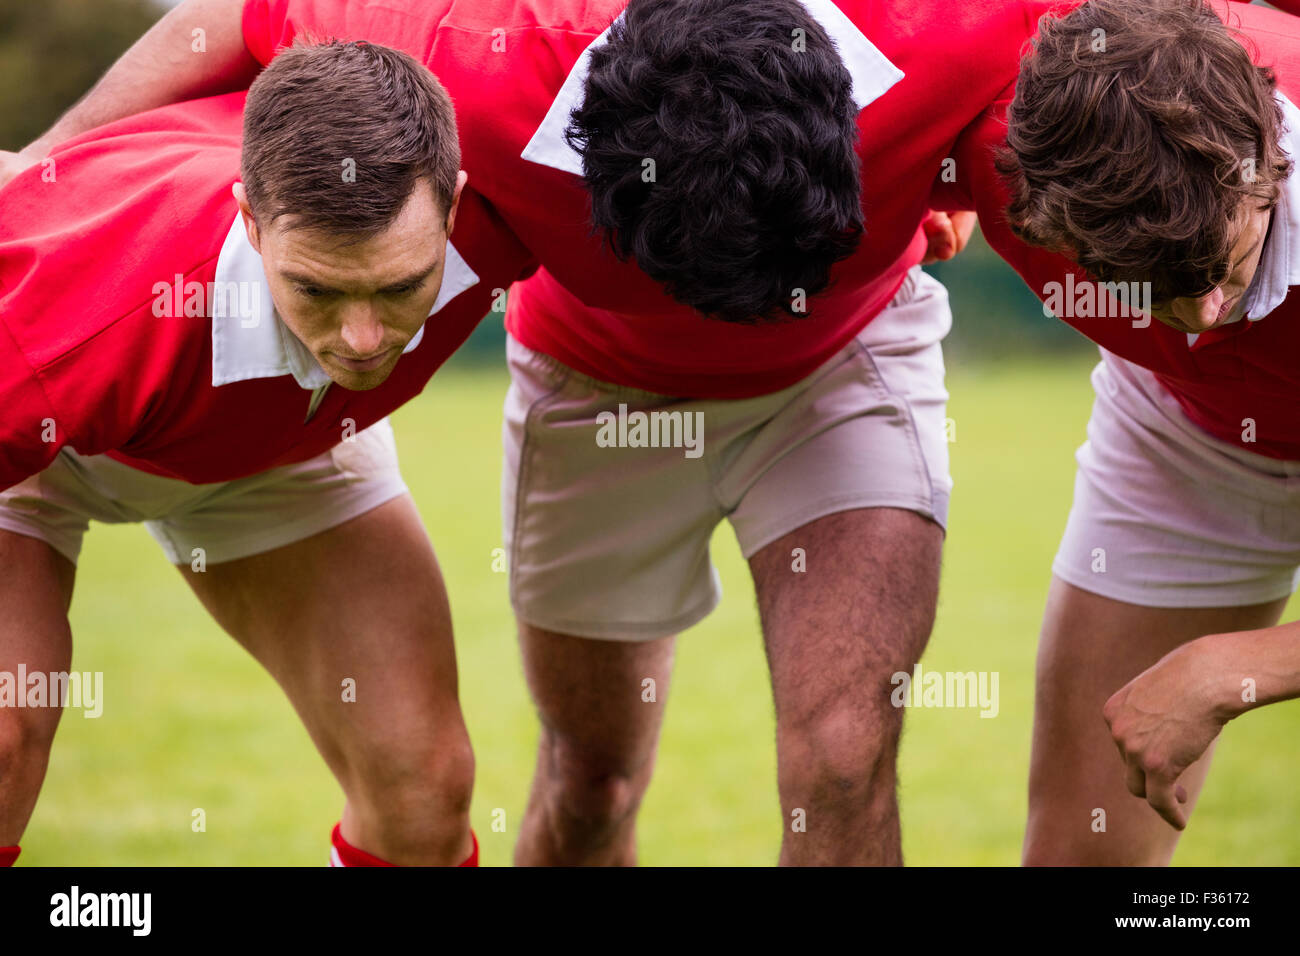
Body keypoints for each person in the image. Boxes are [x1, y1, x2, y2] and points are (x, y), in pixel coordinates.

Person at [0, 38, 533, 867]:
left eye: (400, 287)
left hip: (285, 455)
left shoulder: (518, 208)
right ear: (250, 219)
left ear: (455, 209)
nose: (362, 342)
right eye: (315, 289)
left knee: (421, 787)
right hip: (43, 452)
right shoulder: (74, 315)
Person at [935, 0, 1300, 863]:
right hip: (1188, 438)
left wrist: (1234, 668)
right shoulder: (999, 135)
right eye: (1155, 292)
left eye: (1224, 267)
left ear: (1267, 170)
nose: (1207, 319)